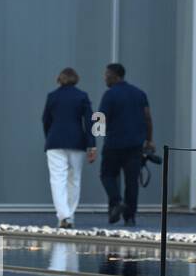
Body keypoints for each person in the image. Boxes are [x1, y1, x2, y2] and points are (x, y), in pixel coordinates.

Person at [97, 63, 153, 226]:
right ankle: (130, 217)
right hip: (135, 145)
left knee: (107, 175)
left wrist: (96, 138)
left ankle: (116, 202)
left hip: (113, 144)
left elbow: (100, 118)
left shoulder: (109, 95)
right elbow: (148, 117)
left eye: (107, 75)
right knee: (131, 182)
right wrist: (149, 140)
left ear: (116, 76)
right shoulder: (139, 94)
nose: (105, 78)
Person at [41, 67, 96, 228]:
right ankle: (69, 215)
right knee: (74, 179)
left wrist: (49, 136)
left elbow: (45, 120)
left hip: (54, 142)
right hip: (77, 142)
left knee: (57, 179)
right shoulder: (82, 96)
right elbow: (90, 121)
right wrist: (92, 145)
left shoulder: (52, 96)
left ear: (59, 79)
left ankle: (63, 215)